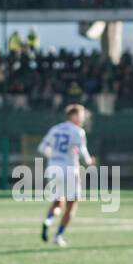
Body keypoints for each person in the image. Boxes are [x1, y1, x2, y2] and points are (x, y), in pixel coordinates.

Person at [36, 104, 93, 247]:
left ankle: (48, 220)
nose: (82, 119)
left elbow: (42, 148)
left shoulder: (55, 129)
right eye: (80, 116)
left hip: (53, 167)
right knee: (71, 205)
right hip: (69, 169)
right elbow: (82, 151)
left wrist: (54, 156)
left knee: (57, 202)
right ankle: (58, 235)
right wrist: (89, 161)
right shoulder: (78, 131)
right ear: (73, 116)